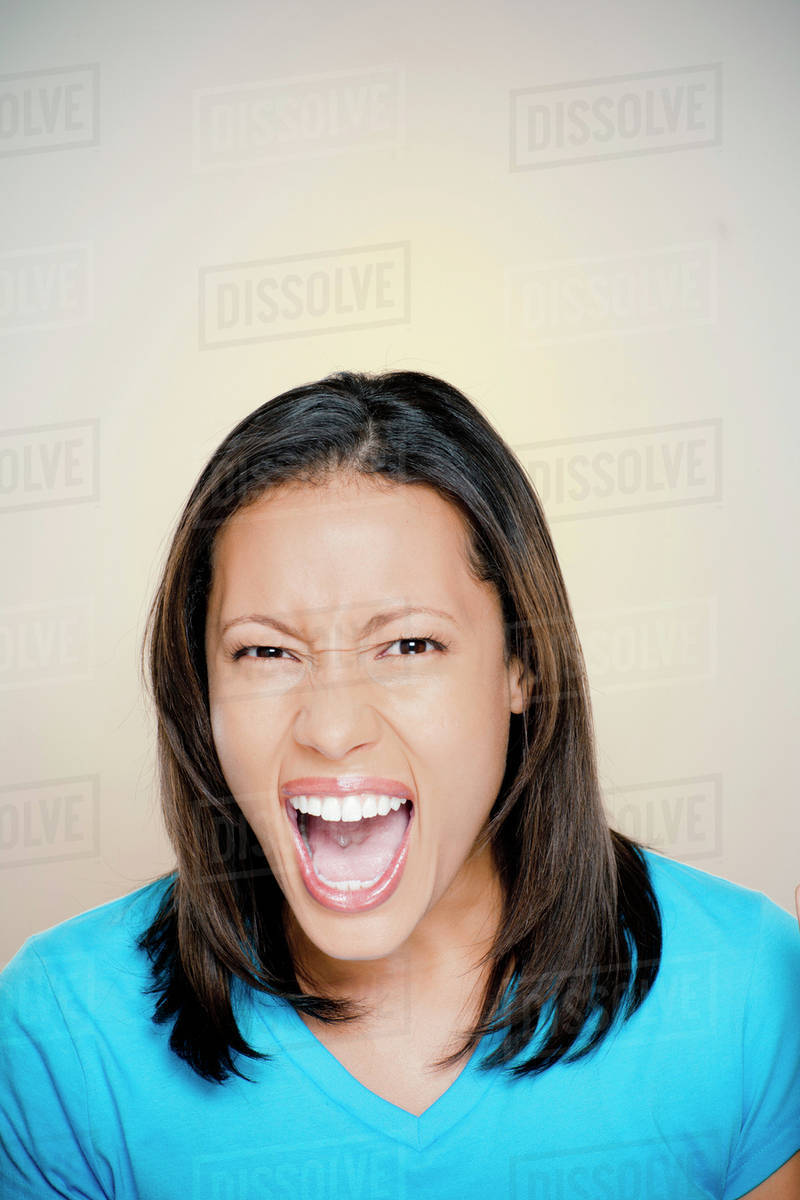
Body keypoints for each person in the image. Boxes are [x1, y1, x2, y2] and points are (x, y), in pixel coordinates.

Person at [1, 369, 799, 1199]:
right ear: (201, 691)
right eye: (265, 652)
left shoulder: (749, 992)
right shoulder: (60, 1034)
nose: (333, 725)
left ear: (519, 668)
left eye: (411, 645)